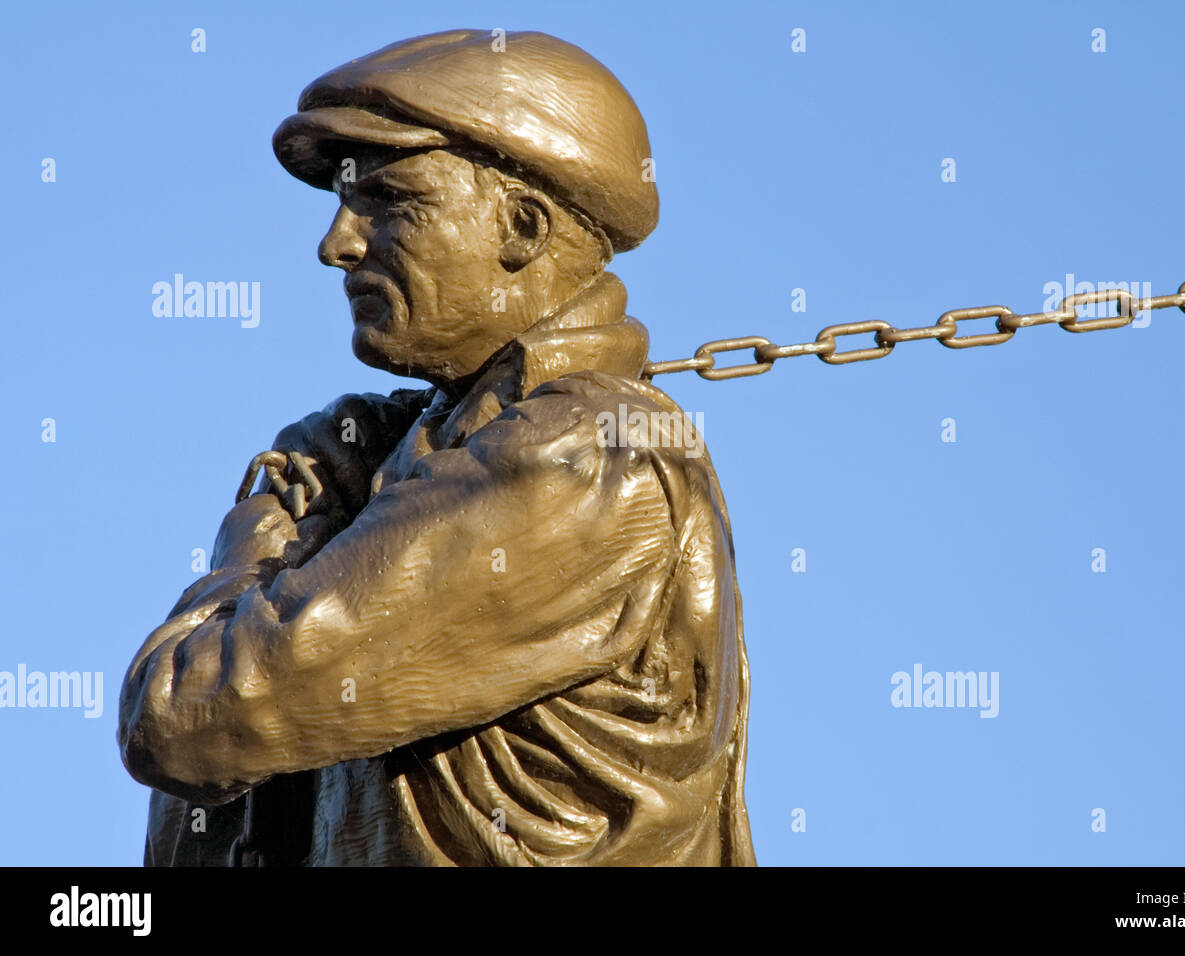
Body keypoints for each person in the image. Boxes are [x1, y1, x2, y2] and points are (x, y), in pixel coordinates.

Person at [119, 28, 756, 866]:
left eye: (390, 201)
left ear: (522, 228)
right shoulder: (411, 466)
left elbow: (190, 718)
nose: (337, 243)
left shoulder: (587, 453)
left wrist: (263, 539)